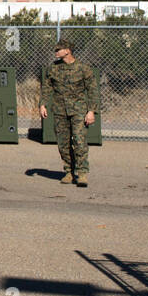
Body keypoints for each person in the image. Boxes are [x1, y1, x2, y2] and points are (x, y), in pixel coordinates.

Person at [37, 38, 98, 187]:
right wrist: (43, 104)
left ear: (68, 51)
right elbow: (47, 87)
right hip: (60, 110)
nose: (56, 52)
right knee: (63, 144)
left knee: (79, 140)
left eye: (59, 50)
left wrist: (91, 111)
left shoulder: (83, 69)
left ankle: (82, 173)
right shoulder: (53, 68)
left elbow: (92, 90)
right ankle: (69, 172)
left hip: (78, 110)